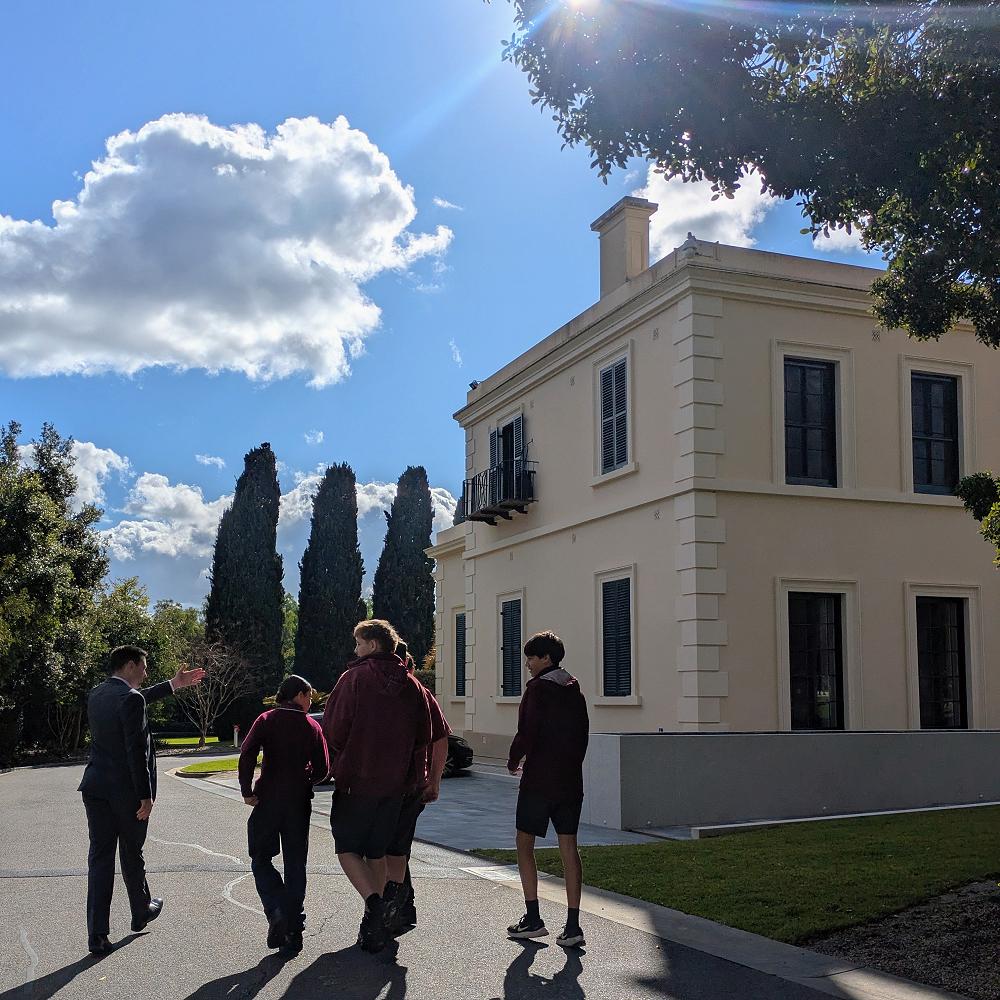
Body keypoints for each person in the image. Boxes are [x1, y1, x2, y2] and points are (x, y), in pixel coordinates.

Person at [78, 645, 205, 955]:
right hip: (126, 793)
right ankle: (141, 910)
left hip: (95, 788)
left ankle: (97, 934)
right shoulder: (130, 699)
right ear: (131, 665)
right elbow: (136, 751)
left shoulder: (97, 694)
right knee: (132, 852)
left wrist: (174, 685)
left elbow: (135, 701)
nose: (146, 673)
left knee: (100, 858)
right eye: (144, 667)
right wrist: (146, 796)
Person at [321, 620, 430, 953]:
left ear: (371, 644)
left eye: (358, 643)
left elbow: (333, 729)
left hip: (357, 781)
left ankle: (374, 905)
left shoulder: (354, 679)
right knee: (378, 852)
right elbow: (424, 735)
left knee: (348, 848)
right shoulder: (412, 685)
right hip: (397, 786)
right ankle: (375, 925)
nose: (355, 649)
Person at [506, 631, 590, 948]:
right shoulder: (575, 693)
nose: (528, 663)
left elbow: (526, 731)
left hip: (539, 781)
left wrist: (514, 759)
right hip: (570, 782)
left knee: (524, 842)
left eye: (531, 657)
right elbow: (582, 738)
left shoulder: (538, 690)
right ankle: (573, 925)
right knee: (569, 847)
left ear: (546, 659)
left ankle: (533, 918)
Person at [238, 674, 329, 958]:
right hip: (298, 803)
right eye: (309, 695)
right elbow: (324, 768)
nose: (310, 700)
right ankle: (294, 929)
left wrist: (246, 789)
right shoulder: (311, 725)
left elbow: (247, 752)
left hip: (267, 799)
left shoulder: (266, 720)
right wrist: (307, 780)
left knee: (260, 857)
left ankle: (276, 907)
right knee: (295, 864)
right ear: (299, 695)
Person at [381, 640, 451, 936]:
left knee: (392, 849)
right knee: (396, 848)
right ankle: (402, 907)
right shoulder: (407, 692)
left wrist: (433, 780)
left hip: (405, 785)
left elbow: (440, 737)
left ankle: (395, 909)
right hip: (406, 784)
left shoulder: (416, 693)